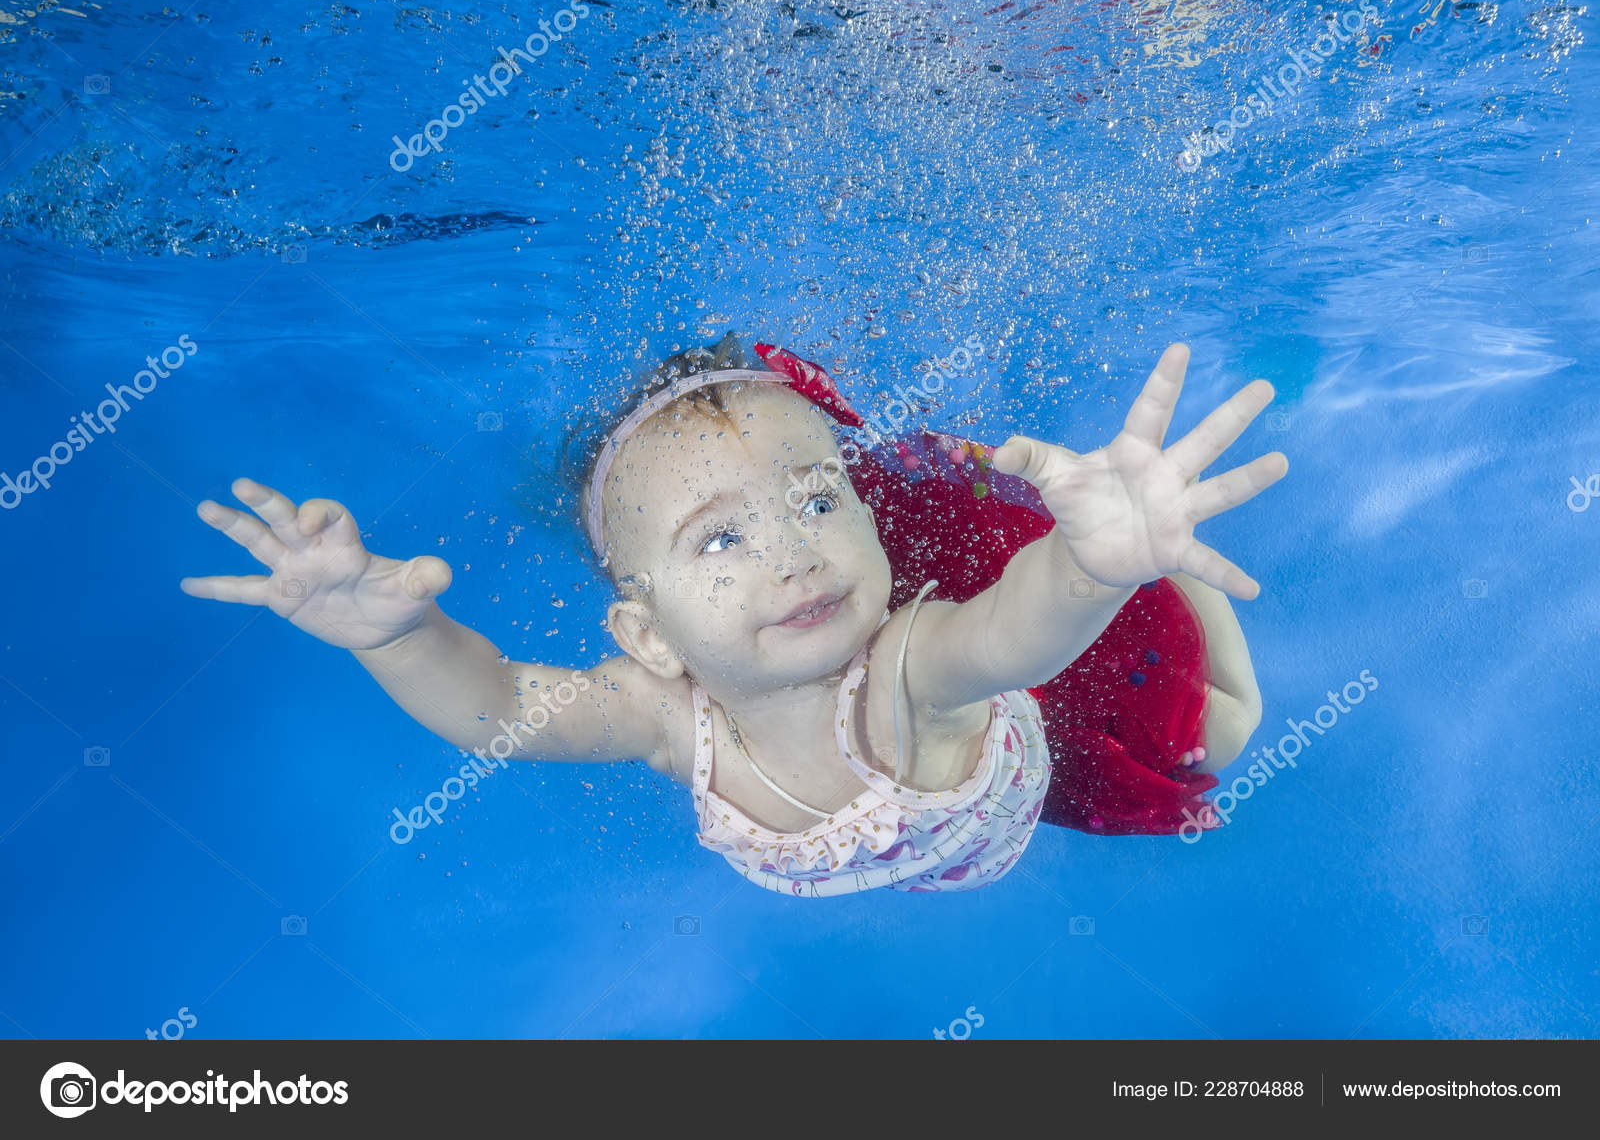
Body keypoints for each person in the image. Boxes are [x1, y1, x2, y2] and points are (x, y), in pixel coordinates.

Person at [181, 332, 1285, 897]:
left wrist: (1100, 565)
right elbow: (498, 707)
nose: (795, 550)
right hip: (962, 833)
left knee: (1222, 725)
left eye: (816, 500)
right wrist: (395, 634)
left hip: (1004, 769)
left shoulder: (909, 668)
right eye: (720, 537)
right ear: (648, 634)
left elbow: (1014, 634)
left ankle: (1165, 563)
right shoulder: (667, 713)